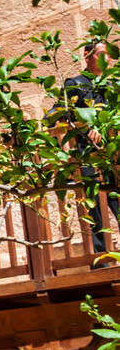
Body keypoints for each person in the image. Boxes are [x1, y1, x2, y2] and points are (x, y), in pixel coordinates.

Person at [55, 39, 120, 258]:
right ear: (86, 56)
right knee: (95, 209)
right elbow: (56, 118)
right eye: (100, 54)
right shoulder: (75, 84)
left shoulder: (113, 86)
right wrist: (85, 125)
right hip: (87, 156)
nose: (106, 59)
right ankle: (101, 258)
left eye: (108, 54)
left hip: (113, 156)